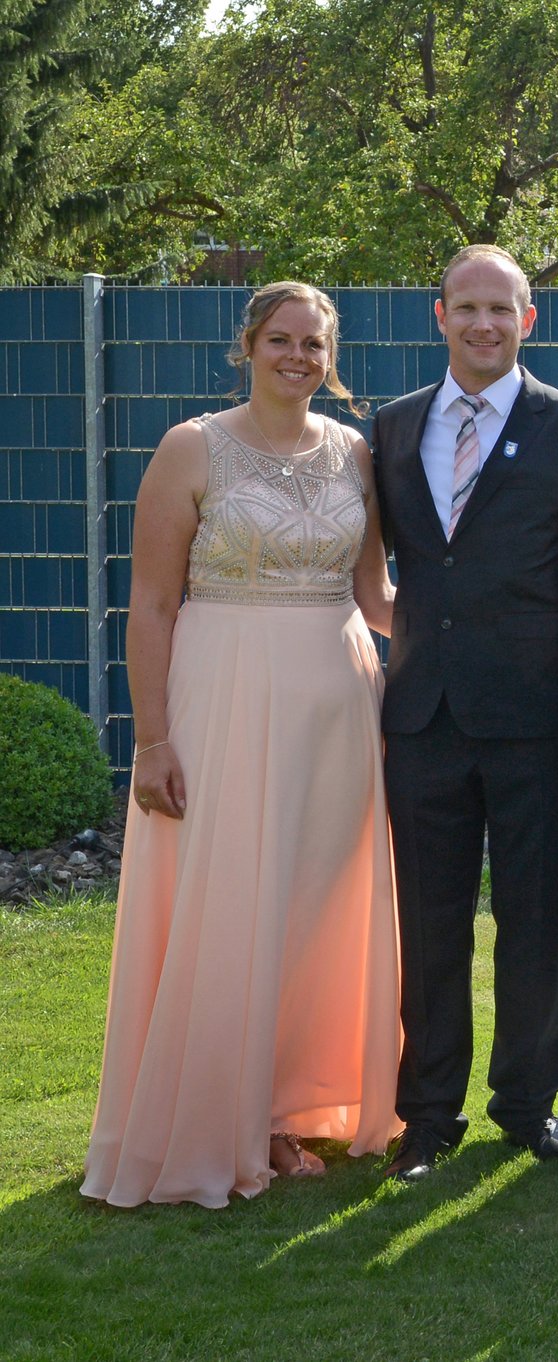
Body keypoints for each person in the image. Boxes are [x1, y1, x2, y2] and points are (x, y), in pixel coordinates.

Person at [83, 282, 401, 1206]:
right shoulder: (191, 446)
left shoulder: (355, 453)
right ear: (249, 345)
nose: (298, 357)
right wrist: (152, 741)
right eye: (282, 340)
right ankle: (228, 1115)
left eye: (315, 344)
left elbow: (378, 597)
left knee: (315, 903)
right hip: (222, 696)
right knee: (230, 898)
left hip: (338, 706)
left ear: (331, 358)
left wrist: (484, 630)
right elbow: (151, 605)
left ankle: (294, 1100)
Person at [374, 245, 558, 1180]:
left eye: (502, 308)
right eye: (468, 307)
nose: (485, 323)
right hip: (424, 721)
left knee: (532, 923)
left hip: (539, 728)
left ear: (530, 320)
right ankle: (428, 1117)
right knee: (430, 927)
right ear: (439, 316)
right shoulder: (392, 427)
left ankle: (525, 1105)